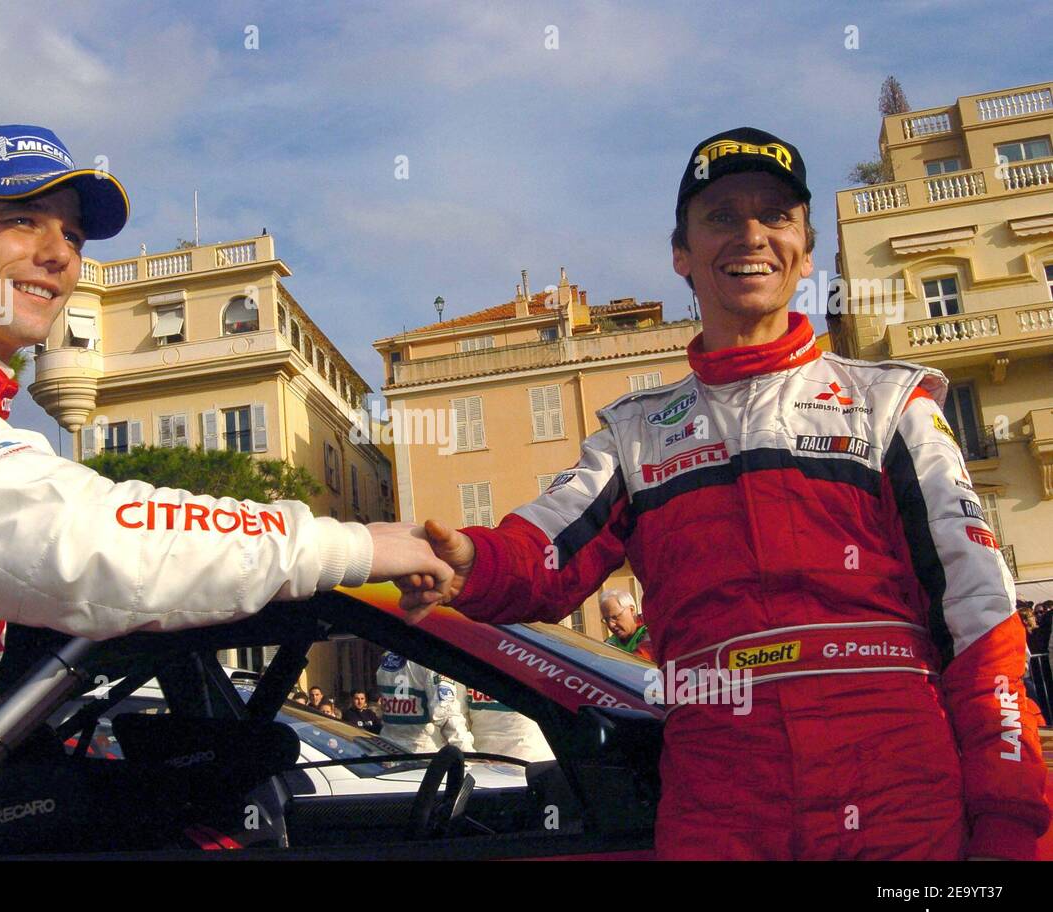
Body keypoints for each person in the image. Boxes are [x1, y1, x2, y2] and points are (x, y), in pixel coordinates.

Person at [0, 123, 452, 861]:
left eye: (74, 234)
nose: (58, 254)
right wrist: (353, 543)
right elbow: (77, 544)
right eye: (20, 219)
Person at [397, 127, 1050, 860]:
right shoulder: (635, 433)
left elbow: (981, 622)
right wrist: (473, 563)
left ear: (806, 248)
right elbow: (543, 548)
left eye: (776, 216)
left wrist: (1010, 816)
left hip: (898, 782)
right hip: (721, 793)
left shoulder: (892, 406)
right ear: (681, 253)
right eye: (721, 216)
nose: (751, 235)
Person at [375, 653, 473, 753]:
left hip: (387, 748)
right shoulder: (432, 662)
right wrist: (468, 752)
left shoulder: (387, 660)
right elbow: (446, 714)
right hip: (421, 754)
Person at [465, 687, 554, 762]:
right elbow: (456, 717)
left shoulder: (540, 672)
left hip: (535, 764)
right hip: (484, 767)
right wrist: (470, 756)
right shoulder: (469, 670)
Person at [599, 589, 653, 660]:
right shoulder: (609, 644)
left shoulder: (651, 634)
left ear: (631, 610)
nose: (611, 625)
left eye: (615, 617)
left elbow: (636, 665)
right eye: (606, 620)